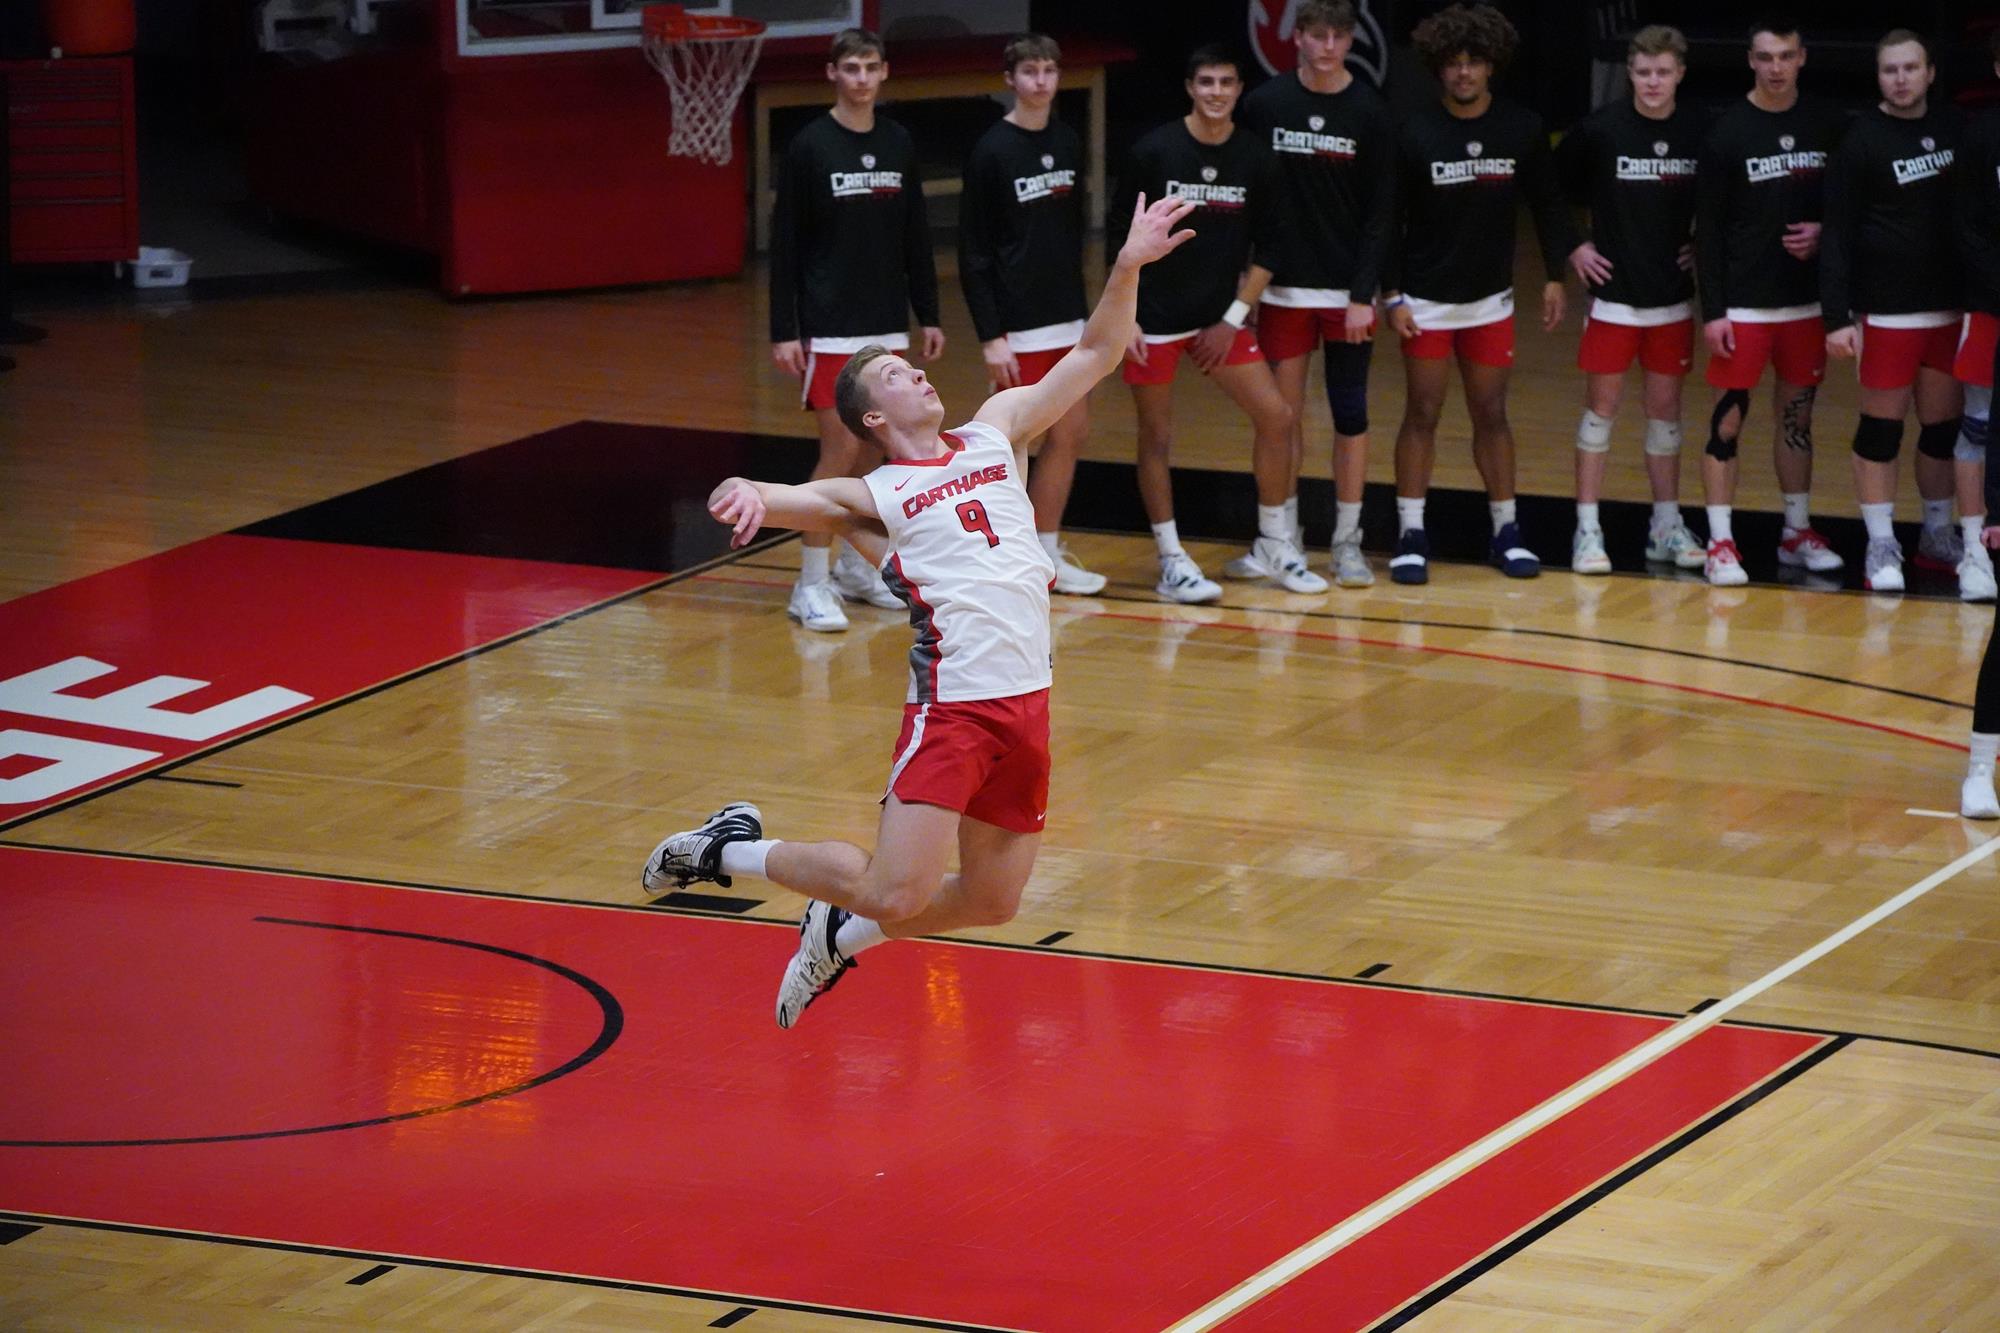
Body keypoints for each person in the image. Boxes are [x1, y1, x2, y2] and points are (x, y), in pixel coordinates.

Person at [641, 194, 1198, 1029]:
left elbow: (1095, 350)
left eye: (916, 364)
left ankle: (839, 933)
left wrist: (1126, 265)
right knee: (893, 886)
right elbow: (791, 493)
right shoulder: (877, 494)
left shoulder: (995, 431)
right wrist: (742, 491)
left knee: (992, 899)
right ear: (873, 415)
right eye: (899, 375)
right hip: (955, 711)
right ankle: (727, 847)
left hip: (1029, 700)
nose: (920, 372)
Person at [1115, 45, 1322, 603]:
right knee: (1157, 436)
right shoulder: (1154, 151)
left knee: (1277, 417)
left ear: (1237, 89)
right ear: (1190, 87)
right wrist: (1124, 315)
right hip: (1153, 321)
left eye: (1226, 82)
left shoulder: (1256, 158)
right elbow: (1120, 241)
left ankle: (1273, 544)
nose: (1216, 91)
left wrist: (1232, 318)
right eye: (1205, 81)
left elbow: (1272, 247)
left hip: (1216, 320)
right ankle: (1172, 560)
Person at [1381, 2, 1576, 584]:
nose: (1464, 73)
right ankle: (1412, 533)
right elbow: (1390, 219)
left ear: (1492, 66)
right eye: (1454, 64)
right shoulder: (1413, 130)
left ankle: (1507, 531)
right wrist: (1392, 295)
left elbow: (1548, 205)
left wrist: (1554, 277)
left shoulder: (1520, 127)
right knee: (1422, 412)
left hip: (1490, 300)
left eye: (1475, 62)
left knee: (1491, 412)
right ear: (1438, 69)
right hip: (1427, 301)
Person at [769, 27, 945, 632]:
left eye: (871, 67)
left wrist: (931, 312)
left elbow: (914, 237)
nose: (862, 78)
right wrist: (784, 329)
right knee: (839, 451)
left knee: (876, 454)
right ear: (833, 74)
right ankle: (809, 584)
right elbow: (786, 245)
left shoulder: (897, 142)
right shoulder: (810, 146)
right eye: (851, 68)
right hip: (829, 328)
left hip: (884, 324)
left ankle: (854, 569)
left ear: (884, 73)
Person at [1824, 29, 1991, 599]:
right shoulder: (1860, 139)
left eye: (1910, 68)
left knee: (1942, 432)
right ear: (1878, 77)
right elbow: (1838, 234)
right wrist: (1835, 316)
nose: (1900, 79)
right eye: (1889, 70)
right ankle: (1879, 541)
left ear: (1929, 72)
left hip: (1948, 309)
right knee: (1880, 430)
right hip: (1886, 313)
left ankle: (1937, 535)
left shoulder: (1955, 129)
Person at [1236, 0, 1393, 589]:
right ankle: (1282, 539)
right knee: (1282, 418)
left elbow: (1382, 214)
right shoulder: (1265, 105)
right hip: (1282, 292)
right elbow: (1245, 192)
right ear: (1297, 38)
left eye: (1338, 36)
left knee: (1351, 414)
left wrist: (1363, 293)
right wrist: (1246, 281)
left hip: (1346, 295)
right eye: (1316, 35)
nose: (1327, 46)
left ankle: (1348, 542)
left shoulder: (1371, 113)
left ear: (1351, 40)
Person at [1693, 17, 1846, 588]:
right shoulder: (1727, 131)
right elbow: (1706, 229)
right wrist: (1713, 312)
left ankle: (1796, 530)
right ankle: (1721, 541)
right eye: (1764, 57)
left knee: (1797, 421)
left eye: (1785, 56)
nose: (1775, 67)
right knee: (1726, 422)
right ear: (1750, 61)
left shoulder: (1828, 124)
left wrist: (1825, 233)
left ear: (1802, 57)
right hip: (1745, 307)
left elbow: (1850, 210)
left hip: (1805, 305)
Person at [1556, 25, 1706, 575]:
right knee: (1601, 413)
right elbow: (1548, 190)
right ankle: (1587, 529)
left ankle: (1665, 526)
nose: (1652, 82)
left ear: (1680, 74)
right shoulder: (1600, 131)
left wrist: (1701, 245)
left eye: (1663, 72)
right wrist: (1575, 246)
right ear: (1630, 73)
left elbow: (1720, 201)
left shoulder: (1697, 131)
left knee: (1666, 416)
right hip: (1615, 300)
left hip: (1671, 299)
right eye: (1643, 72)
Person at [958, 33, 1105, 596]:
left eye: (1049, 70)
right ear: (1011, 80)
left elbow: (1070, 237)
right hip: (1016, 326)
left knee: (1070, 433)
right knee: (1013, 445)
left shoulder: (1068, 141)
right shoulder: (992, 150)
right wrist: (991, 335)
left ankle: (1045, 554)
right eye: (1030, 72)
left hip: (1067, 318)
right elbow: (974, 252)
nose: (1041, 81)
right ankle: (1006, 556)